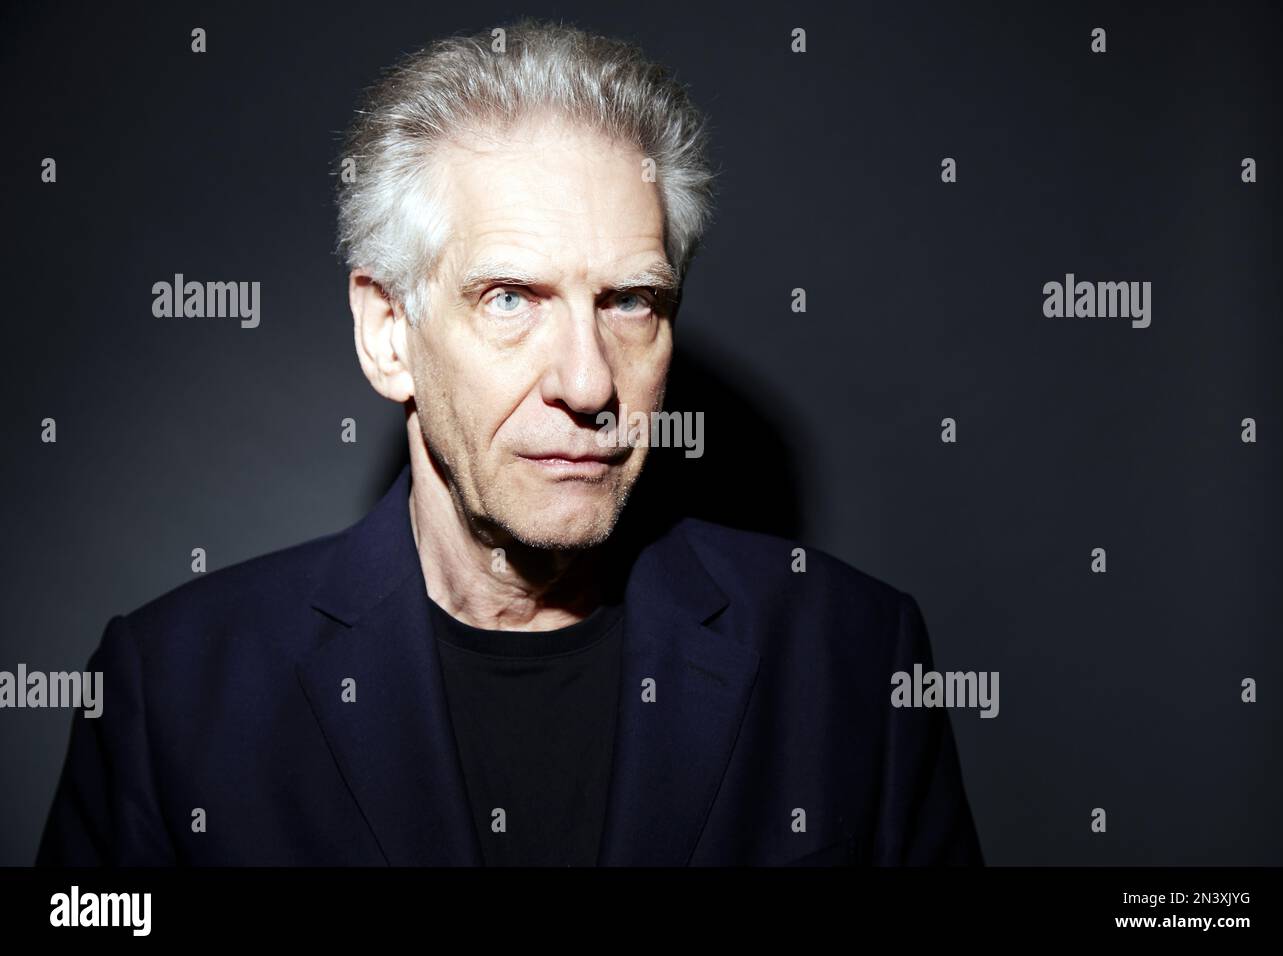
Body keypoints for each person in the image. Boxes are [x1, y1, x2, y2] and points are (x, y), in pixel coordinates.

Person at [36, 18, 981, 866]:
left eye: (630, 302)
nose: (588, 381)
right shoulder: (174, 693)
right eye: (511, 299)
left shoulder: (852, 657)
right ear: (388, 333)